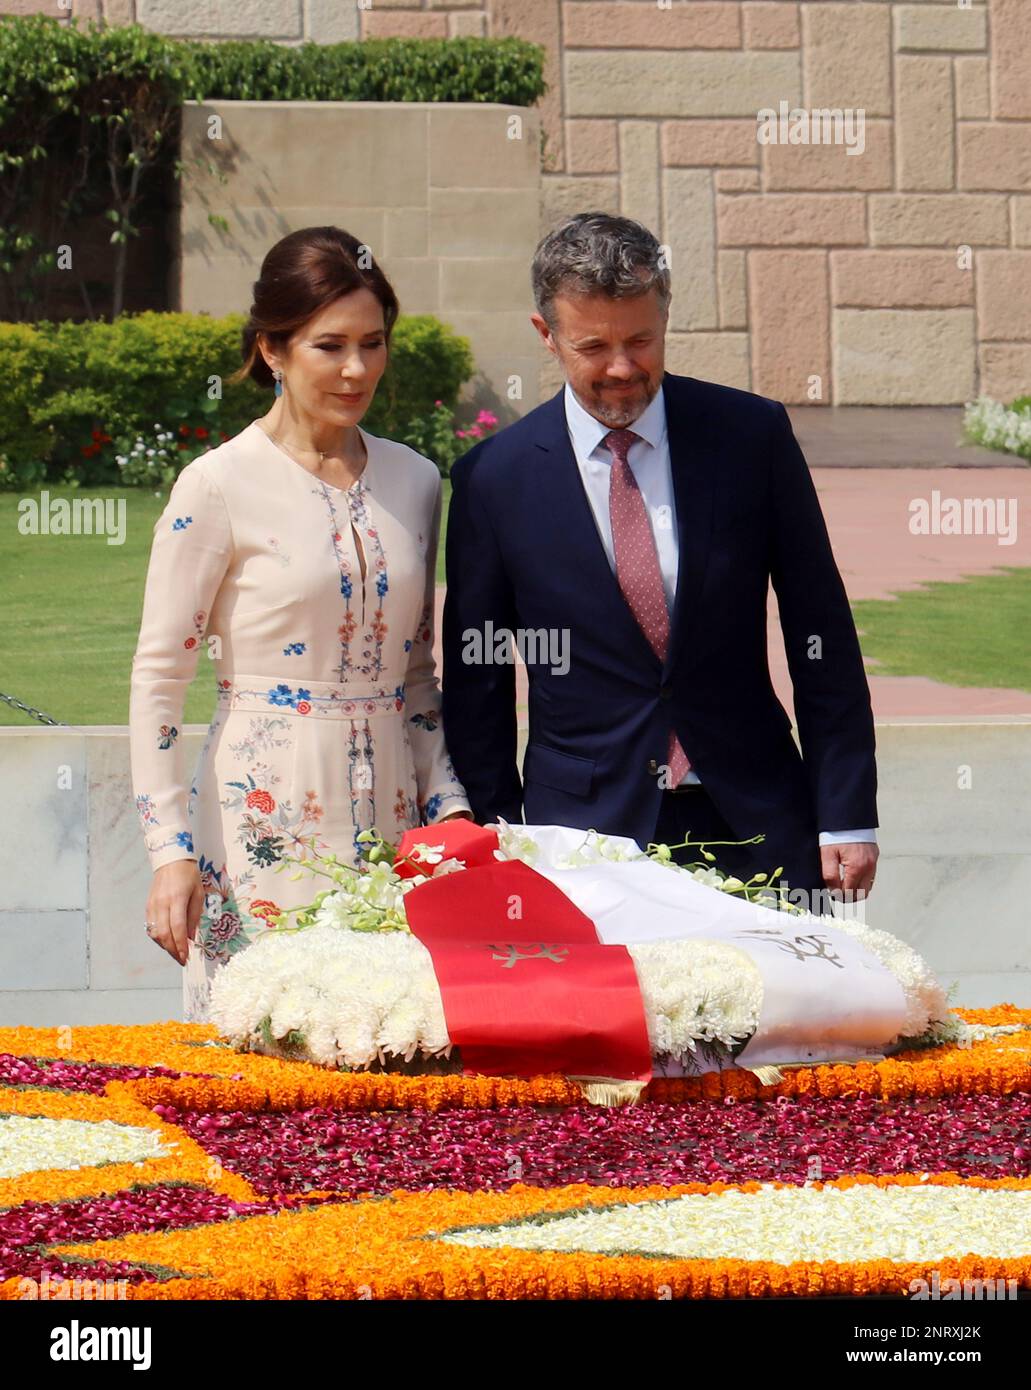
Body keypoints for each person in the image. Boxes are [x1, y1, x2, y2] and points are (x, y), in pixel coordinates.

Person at [442, 212, 878, 905]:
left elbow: (817, 629)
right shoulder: (492, 480)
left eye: (640, 339)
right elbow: (479, 681)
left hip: (756, 814)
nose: (621, 367)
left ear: (665, 316)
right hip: (582, 835)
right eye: (593, 346)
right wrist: (500, 838)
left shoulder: (750, 436)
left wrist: (846, 812)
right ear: (545, 335)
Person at [130, 226, 472, 1021]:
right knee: (267, 1043)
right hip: (261, 815)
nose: (356, 370)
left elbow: (417, 670)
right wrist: (169, 852)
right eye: (329, 346)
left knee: (396, 1042)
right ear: (272, 350)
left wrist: (447, 808)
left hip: (393, 814)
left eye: (372, 343)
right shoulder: (216, 484)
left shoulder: (416, 480)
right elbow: (159, 678)